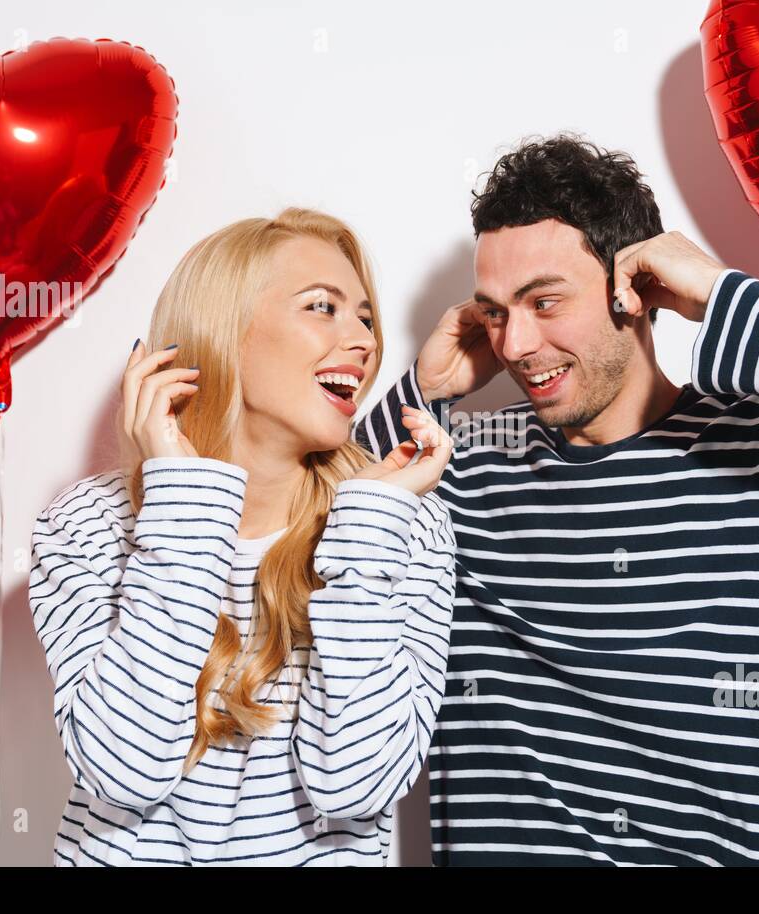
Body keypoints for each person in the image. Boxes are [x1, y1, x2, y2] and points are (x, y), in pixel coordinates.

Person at [356, 134, 759, 865]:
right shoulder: (462, 465)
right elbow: (322, 530)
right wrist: (424, 390)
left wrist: (720, 293)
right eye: (496, 313)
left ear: (633, 290)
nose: (514, 345)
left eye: (545, 302)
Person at [28, 209, 457, 866]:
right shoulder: (87, 527)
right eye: (324, 307)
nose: (364, 341)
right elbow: (123, 771)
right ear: (225, 331)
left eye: (366, 318)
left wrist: (369, 531)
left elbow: (356, 786)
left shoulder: (403, 525)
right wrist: (180, 503)